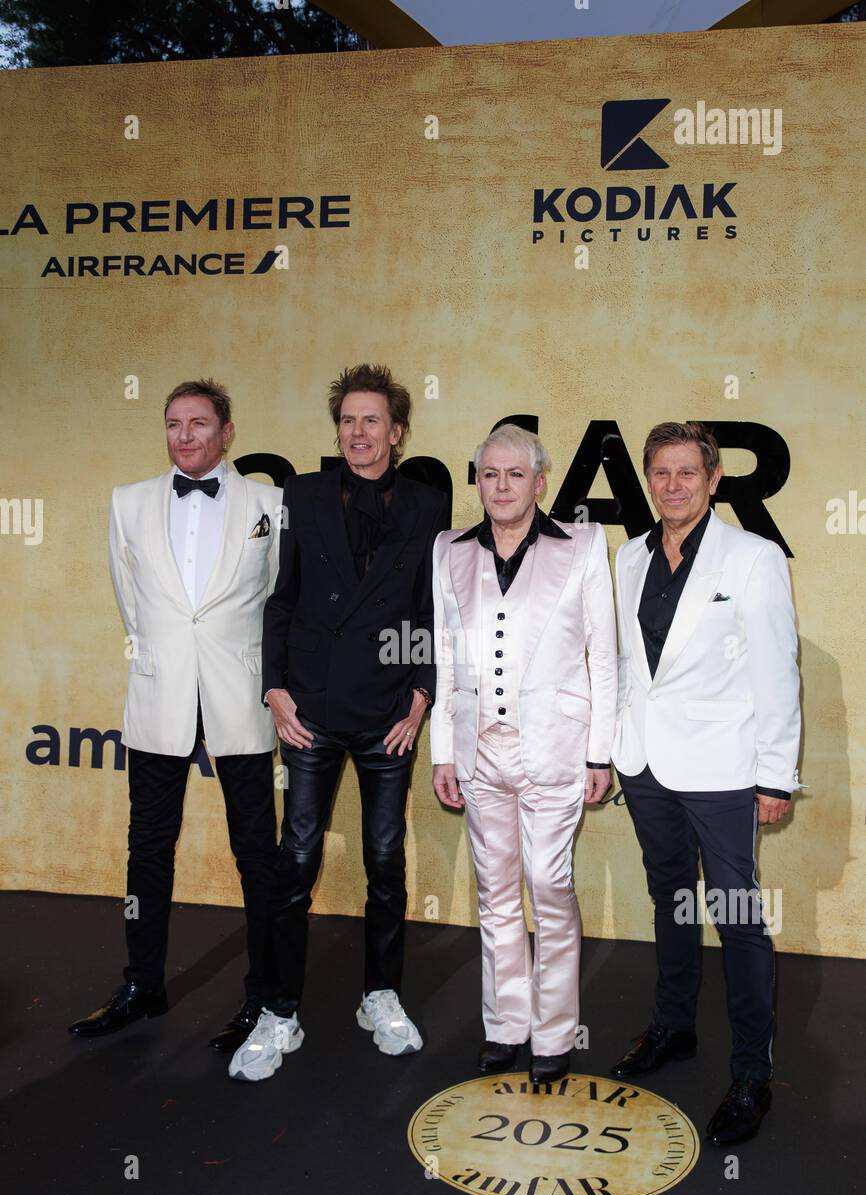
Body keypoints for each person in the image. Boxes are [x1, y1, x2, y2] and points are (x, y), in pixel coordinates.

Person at [228, 363, 449, 1082]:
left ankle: (379, 995)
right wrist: (276, 688)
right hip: (312, 711)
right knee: (296, 864)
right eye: (348, 421)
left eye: (372, 420)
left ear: (397, 430)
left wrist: (420, 696)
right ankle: (278, 1011)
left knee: (385, 863)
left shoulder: (426, 503)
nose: (358, 432)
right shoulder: (306, 493)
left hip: (389, 713)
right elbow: (282, 597)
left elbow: (426, 607)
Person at [69, 379, 283, 1046]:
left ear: (228, 431)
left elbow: (278, 598)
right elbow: (128, 599)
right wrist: (166, 654)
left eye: (198, 423)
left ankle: (266, 995)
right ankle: (143, 984)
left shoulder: (272, 503)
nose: (184, 435)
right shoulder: (127, 503)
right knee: (148, 847)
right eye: (173, 424)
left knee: (256, 850)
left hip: (240, 693)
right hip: (160, 692)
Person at [609, 421, 801, 1144]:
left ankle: (752, 1073)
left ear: (714, 479)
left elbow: (777, 670)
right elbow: (628, 668)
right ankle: (674, 1027)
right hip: (647, 765)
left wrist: (775, 774)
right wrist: (611, 752)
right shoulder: (628, 557)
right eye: (660, 472)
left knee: (738, 918)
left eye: (687, 472)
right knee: (671, 899)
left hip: (724, 770)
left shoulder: (753, 559)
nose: (672, 485)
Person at [430, 424, 617, 1085]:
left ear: (539, 482)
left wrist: (601, 755)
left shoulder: (585, 544)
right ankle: (507, 1025)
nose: (501, 485)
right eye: (489, 474)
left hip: (557, 748)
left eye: (515, 474)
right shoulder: (448, 549)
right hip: (480, 750)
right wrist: (443, 752)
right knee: (495, 890)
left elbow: (604, 655)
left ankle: (556, 1032)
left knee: (551, 884)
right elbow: (446, 655)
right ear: (476, 481)